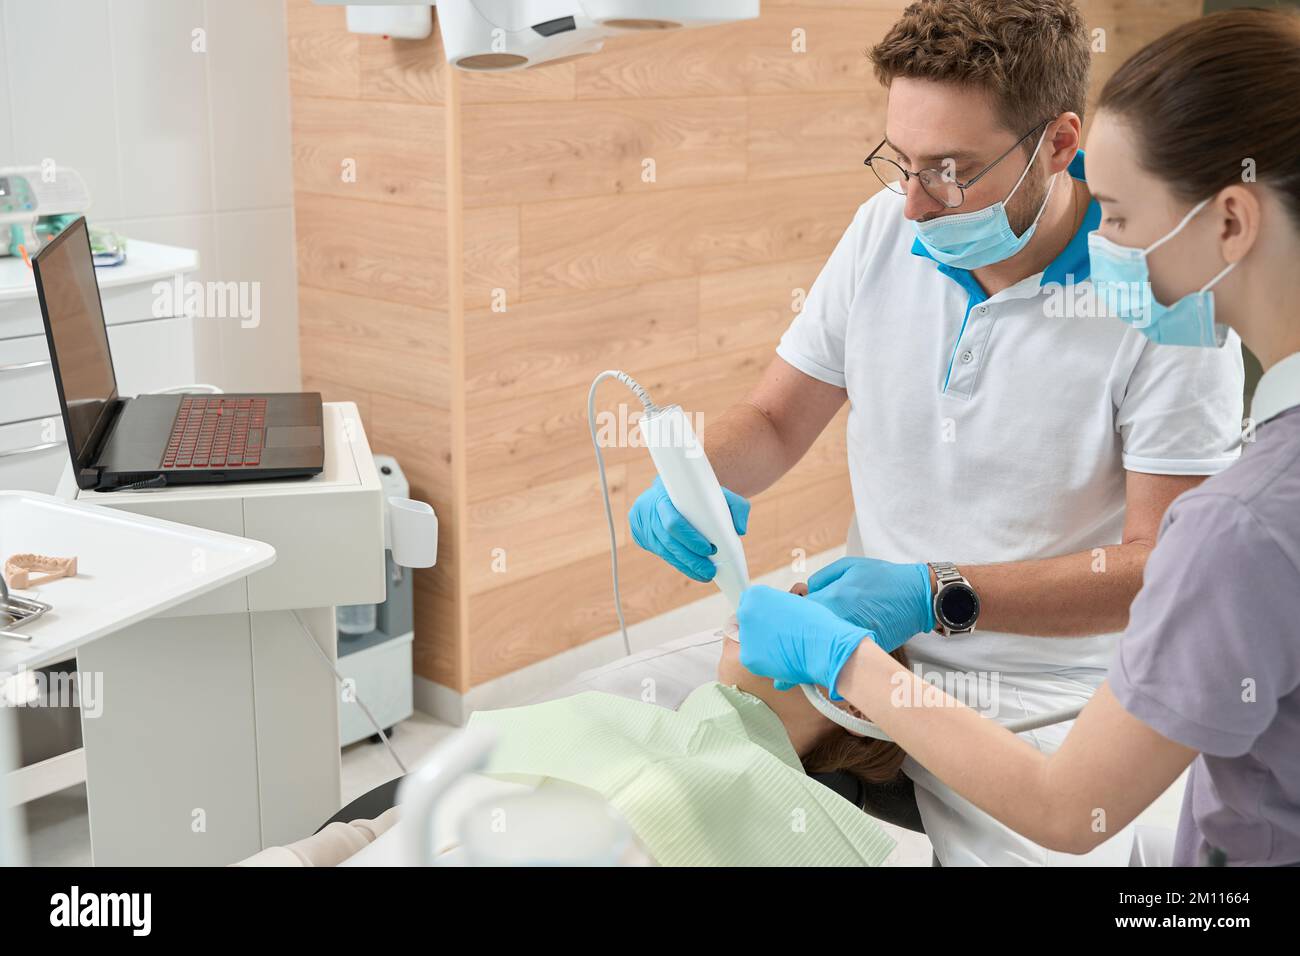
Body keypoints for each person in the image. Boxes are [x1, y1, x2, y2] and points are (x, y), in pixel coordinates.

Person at [628, 0, 1244, 864]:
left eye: (950, 169)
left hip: (1045, 695)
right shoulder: (883, 229)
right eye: (901, 163)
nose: (914, 206)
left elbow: (1159, 572)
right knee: (657, 810)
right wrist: (694, 479)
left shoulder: (1164, 302)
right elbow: (773, 421)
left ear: (1060, 143)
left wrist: (936, 590)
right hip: (860, 639)